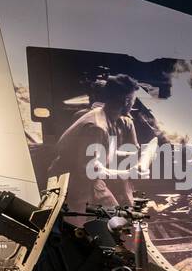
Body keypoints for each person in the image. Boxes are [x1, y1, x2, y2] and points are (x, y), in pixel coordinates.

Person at [48, 73, 142, 211]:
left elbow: (101, 152)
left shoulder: (104, 114)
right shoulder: (96, 127)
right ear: (126, 101)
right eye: (133, 99)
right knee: (109, 218)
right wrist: (126, 173)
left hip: (83, 177)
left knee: (117, 215)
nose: (133, 103)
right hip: (69, 181)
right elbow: (88, 170)